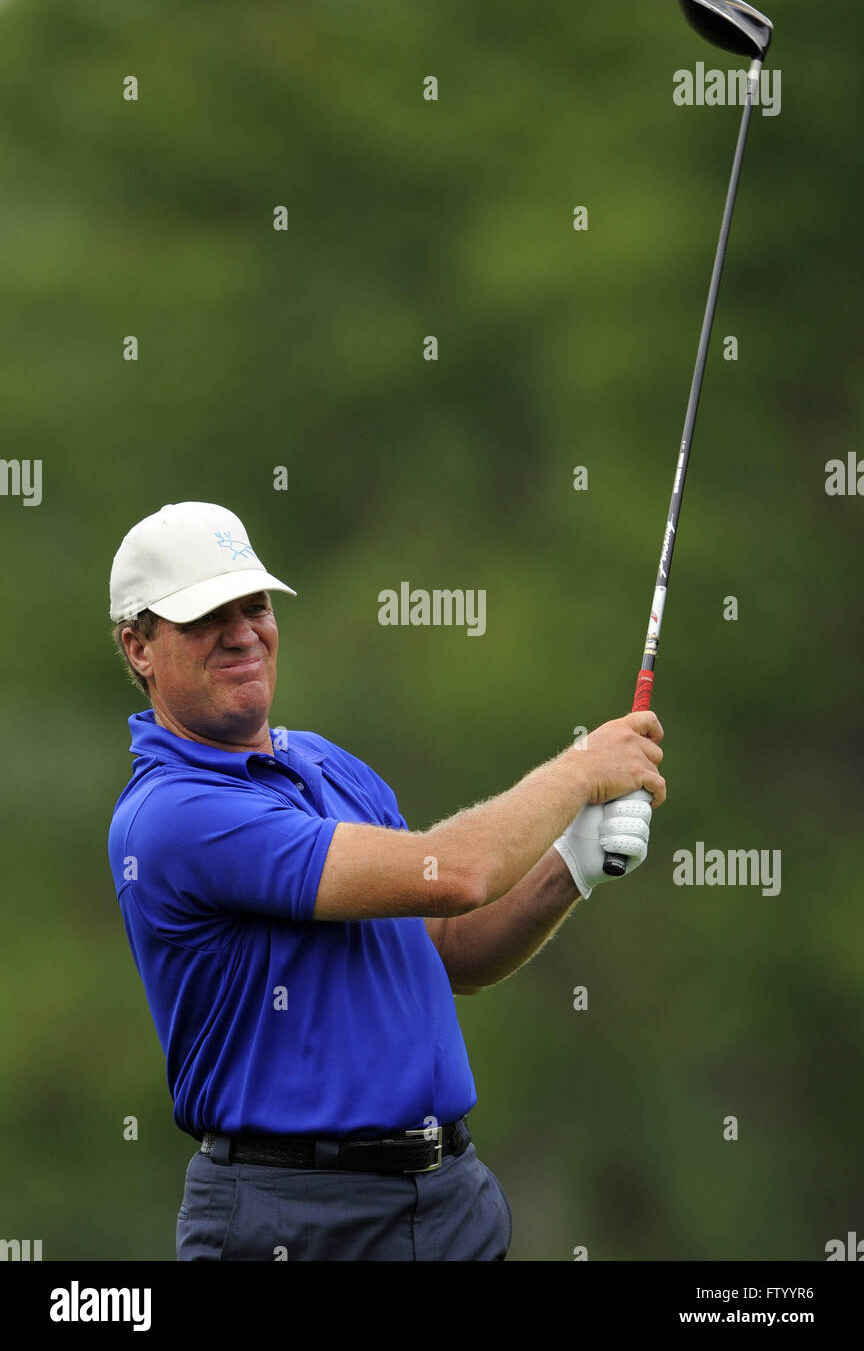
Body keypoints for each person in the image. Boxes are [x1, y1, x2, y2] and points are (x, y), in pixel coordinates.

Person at [107, 500, 666, 1262]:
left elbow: (450, 948)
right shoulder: (174, 815)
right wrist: (580, 772)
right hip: (292, 1221)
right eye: (207, 615)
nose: (242, 631)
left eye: (255, 605)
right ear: (139, 647)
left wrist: (569, 866)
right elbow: (459, 875)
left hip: (449, 1201)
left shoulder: (327, 763)